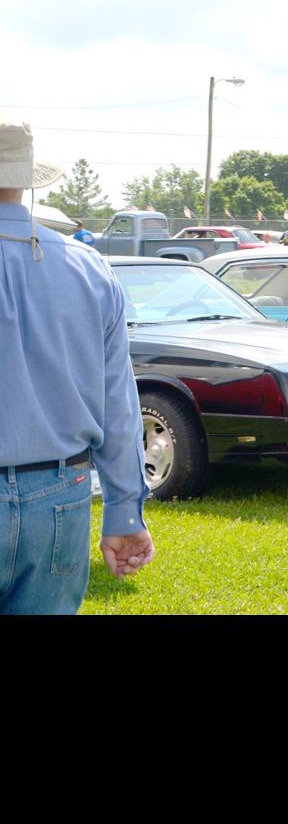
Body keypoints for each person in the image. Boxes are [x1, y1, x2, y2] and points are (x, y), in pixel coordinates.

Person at [1, 115, 154, 613]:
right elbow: (118, 403)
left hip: (61, 487)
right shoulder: (88, 268)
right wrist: (124, 508)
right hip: (59, 495)